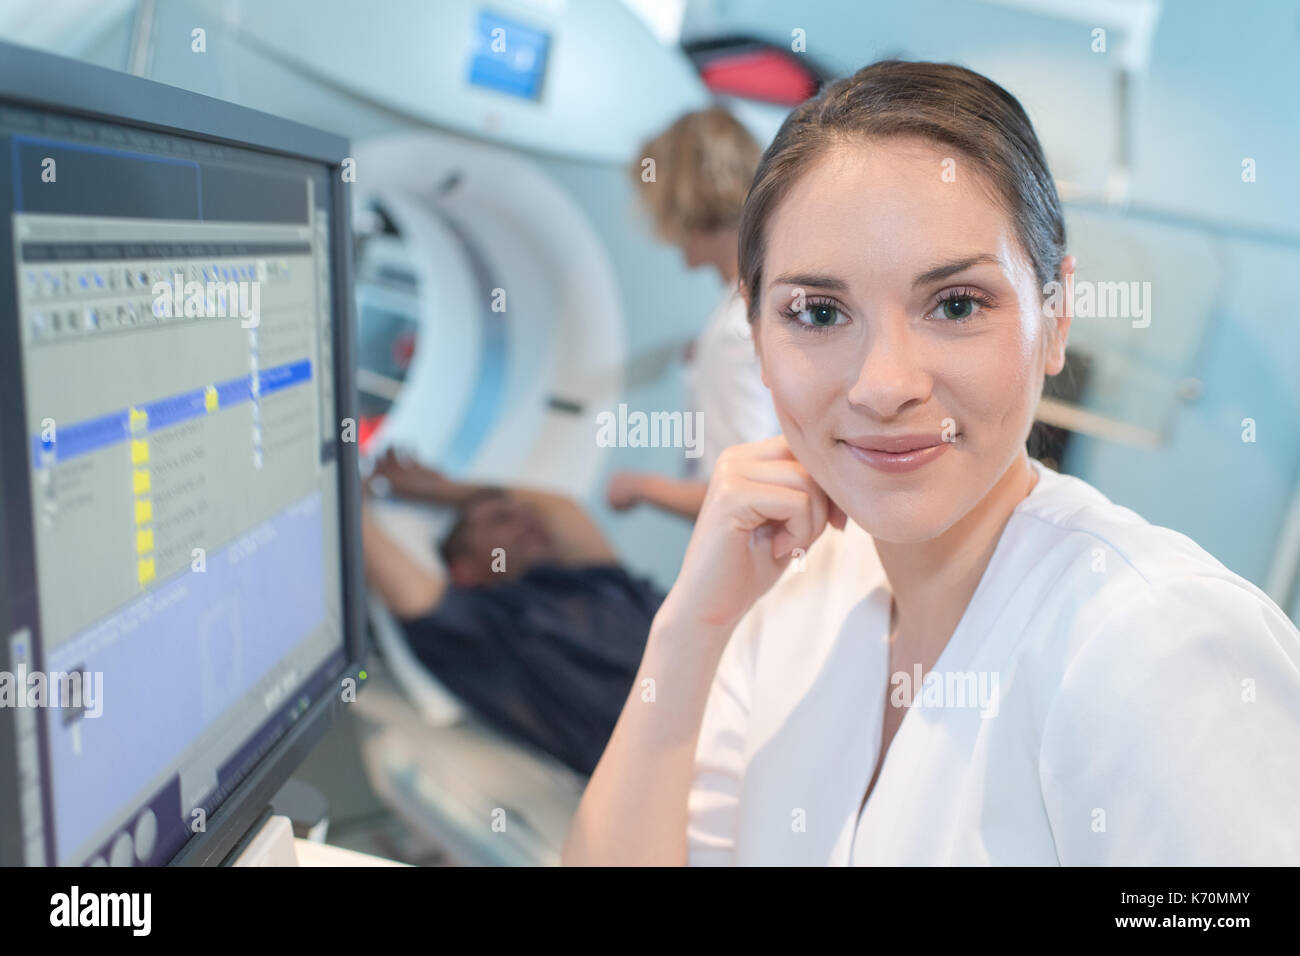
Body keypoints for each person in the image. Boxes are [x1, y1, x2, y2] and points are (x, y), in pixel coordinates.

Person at [563, 60, 1300, 865]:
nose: (884, 386)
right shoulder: (789, 607)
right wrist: (688, 632)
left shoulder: (1154, 640)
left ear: (1055, 320)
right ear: (758, 337)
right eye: (818, 313)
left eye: (955, 305)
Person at [360, 449, 664, 775]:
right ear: (465, 569)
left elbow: (560, 508)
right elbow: (409, 590)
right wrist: (354, 498)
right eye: (500, 520)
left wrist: (438, 489)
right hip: (675, 750)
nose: (526, 518)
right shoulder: (490, 632)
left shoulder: (588, 581)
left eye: (525, 515)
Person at [606, 107, 781, 520]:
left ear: (683, 206)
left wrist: (639, 486)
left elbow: (742, 496)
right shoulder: (762, 302)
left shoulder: (734, 330)